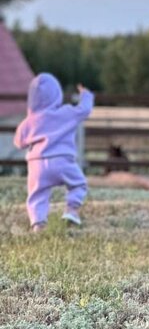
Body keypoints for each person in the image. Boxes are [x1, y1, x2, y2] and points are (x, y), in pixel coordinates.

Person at [13, 73, 94, 231]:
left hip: (37, 166)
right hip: (62, 161)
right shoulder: (66, 113)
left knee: (37, 196)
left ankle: (38, 224)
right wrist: (86, 94)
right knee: (78, 185)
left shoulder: (28, 122)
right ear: (57, 95)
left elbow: (18, 142)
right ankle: (72, 210)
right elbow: (84, 110)